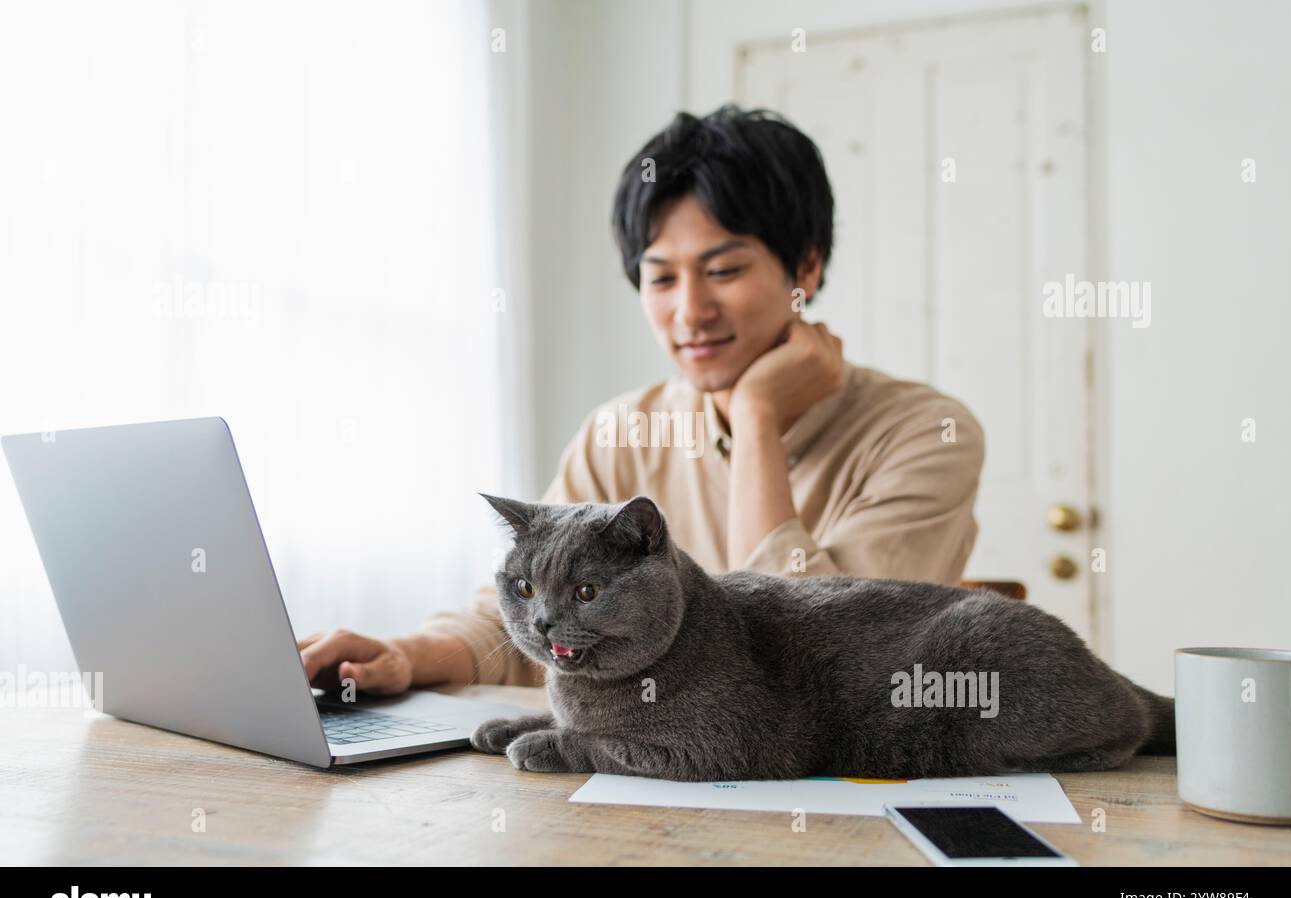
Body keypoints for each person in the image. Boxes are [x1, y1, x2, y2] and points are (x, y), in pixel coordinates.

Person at [298, 103, 985, 694]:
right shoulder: (620, 433)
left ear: (805, 267)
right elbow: (534, 614)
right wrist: (407, 657)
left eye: (724, 270)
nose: (691, 311)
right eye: (660, 279)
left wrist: (756, 419)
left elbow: (815, 654)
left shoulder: (926, 433)